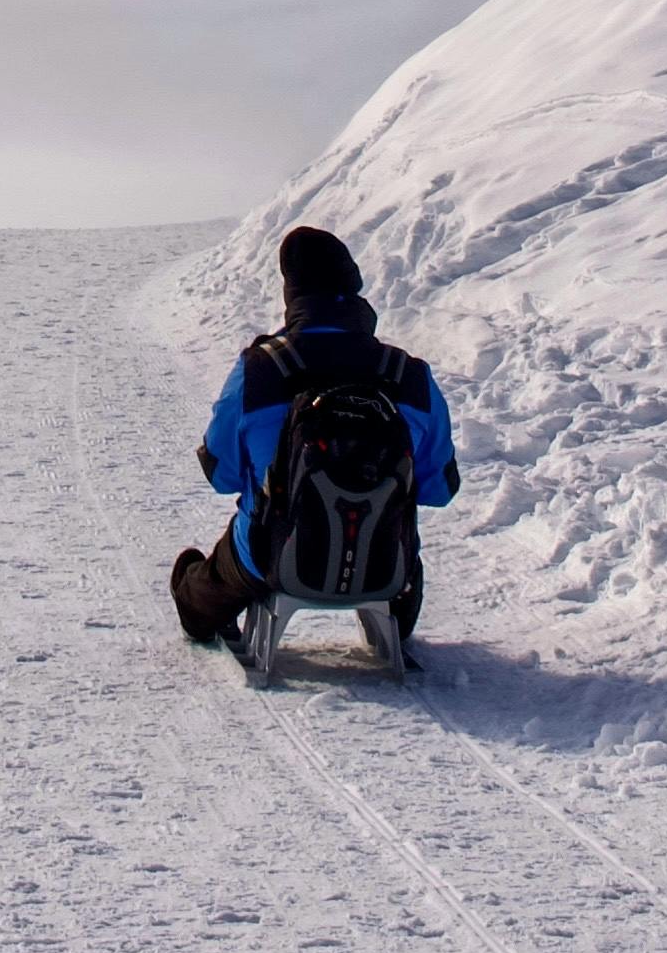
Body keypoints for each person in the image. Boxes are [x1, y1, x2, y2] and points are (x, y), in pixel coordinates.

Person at [173, 223, 458, 650]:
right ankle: (391, 619)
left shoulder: (260, 369)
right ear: (355, 289)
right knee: (399, 540)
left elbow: (222, 475)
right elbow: (439, 490)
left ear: (292, 295)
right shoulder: (409, 374)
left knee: (217, 572)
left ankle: (199, 606)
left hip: (272, 558)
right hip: (385, 566)